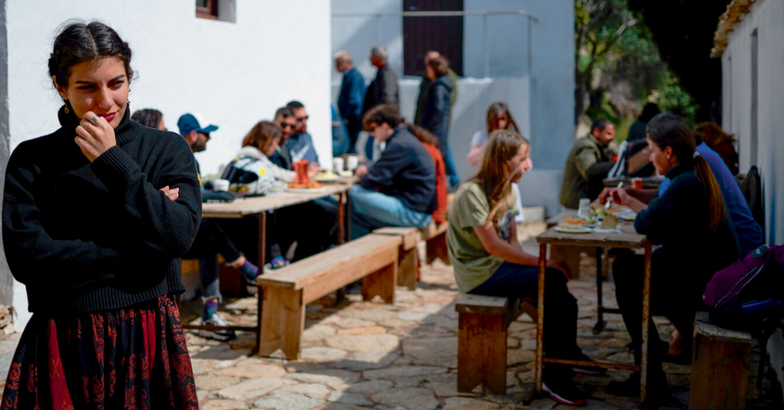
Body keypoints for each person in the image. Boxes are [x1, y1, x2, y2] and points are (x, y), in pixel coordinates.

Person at [1, 21, 199, 408]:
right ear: (61, 87)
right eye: (87, 87)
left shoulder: (166, 149)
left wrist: (114, 163)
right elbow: (29, 260)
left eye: (117, 83)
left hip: (148, 333)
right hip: (63, 336)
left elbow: (178, 236)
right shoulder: (32, 160)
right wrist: (144, 248)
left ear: (129, 80)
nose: (106, 101)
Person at [447, 129, 592, 406]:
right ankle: (556, 374)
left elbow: (512, 241)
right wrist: (544, 264)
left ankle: (564, 359)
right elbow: (494, 247)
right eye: (523, 158)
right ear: (504, 160)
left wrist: (533, 272)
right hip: (479, 275)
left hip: (498, 267)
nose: (529, 164)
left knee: (563, 299)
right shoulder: (471, 193)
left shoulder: (507, 190)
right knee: (552, 280)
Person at [603, 113, 740, 398]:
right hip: (701, 277)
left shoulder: (684, 185)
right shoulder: (690, 178)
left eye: (651, 151)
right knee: (628, 267)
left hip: (702, 289)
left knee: (625, 272)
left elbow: (645, 225)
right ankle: (649, 369)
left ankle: (649, 374)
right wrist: (631, 201)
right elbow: (657, 227)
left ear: (667, 152)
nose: (650, 158)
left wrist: (630, 203)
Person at [177, 113, 259, 341]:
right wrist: (213, 194)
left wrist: (212, 188)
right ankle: (247, 269)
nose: (209, 139)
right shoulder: (177, 156)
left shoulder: (194, 160)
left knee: (209, 244)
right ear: (193, 134)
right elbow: (188, 195)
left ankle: (210, 315)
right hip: (174, 235)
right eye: (206, 134)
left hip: (191, 232)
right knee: (208, 225)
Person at [350, 104, 436, 238]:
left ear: (384, 126)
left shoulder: (398, 144)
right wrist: (369, 169)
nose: (372, 134)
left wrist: (366, 174)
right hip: (419, 209)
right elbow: (382, 169)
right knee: (356, 206)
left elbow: (370, 182)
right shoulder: (403, 137)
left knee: (353, 192)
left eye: (372, 129)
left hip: (414, 213)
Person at [467, 102, 526, 223]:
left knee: (510, 221)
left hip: (507, 183)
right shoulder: (481, 136)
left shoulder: (512, 138)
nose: (499, 124)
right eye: (496, 120)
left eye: (502, 119)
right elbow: (472, 160)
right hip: (489, 184)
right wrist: (490, 144)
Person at [559, 118, 616, 209]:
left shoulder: (599, 145)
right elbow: (590, 171)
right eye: (608, 134)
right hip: (578, 203)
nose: (611, 138)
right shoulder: (586, 146)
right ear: (596, 132)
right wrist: (616, 164)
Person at [420, 55, 459, 189]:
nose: (427, 71)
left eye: (429, 68)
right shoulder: (440, 84)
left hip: (435, 130)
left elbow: (438, 110)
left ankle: (453, 182)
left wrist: (428, 129)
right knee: (444, 154)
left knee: (441, 157)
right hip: (439, 129)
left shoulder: (439, 87)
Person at [361, 46, 399, 160]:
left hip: (383, 123)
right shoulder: (381, 73)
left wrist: (383, 119)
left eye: (372, 56)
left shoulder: (387, 74)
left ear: (378, 57)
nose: (369, 59)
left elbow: (389, 98)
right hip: (380, 122)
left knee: (372, 150)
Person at [414, 50, 458, 127]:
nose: (428, 67)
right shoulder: (428, 76)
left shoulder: (443, 81)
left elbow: (444, 103)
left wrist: (432, 121)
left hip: (435, 123)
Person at [335, 50, 366, 154]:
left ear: (345, 62)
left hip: (352, 118)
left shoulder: (354, 76)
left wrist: (347, 117)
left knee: (350, 145)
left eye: (337, 63)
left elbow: (354, 100)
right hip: (349, 117)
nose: (336, 67)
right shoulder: (348, 75)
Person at [283, 100, 319, 165]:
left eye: (306, 118)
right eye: (300, 119)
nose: (304, 122)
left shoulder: (307, 137)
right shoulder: (284, 142)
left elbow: (316, 163)